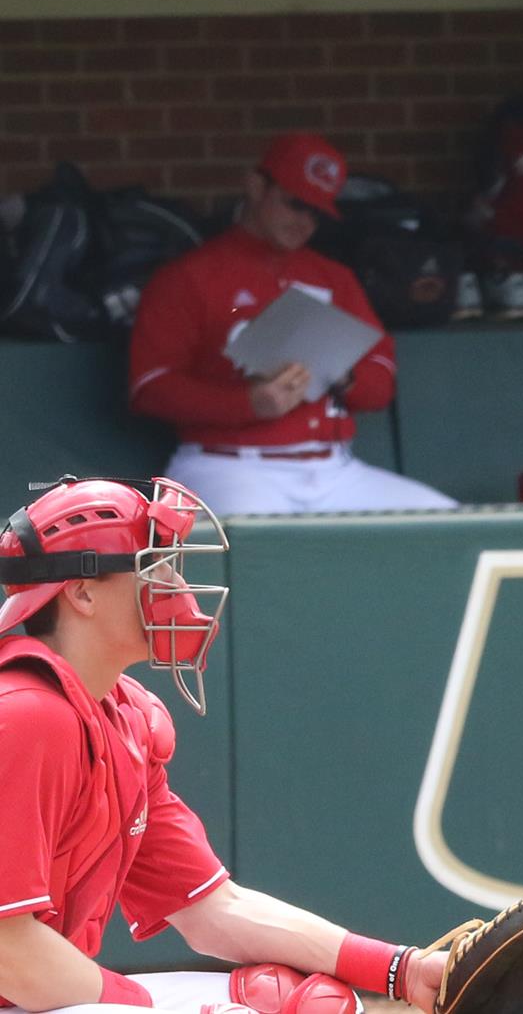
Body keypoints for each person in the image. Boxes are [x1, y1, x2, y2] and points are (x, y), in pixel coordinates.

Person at [0, 476, 446, 1013]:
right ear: (83, 592)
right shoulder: (24, 713)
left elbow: (214, 909)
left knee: (307, 1003)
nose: (175, 586)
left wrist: (401, 969)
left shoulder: (120, 717)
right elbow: (9, 951)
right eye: (153, 566)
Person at [128, 134, 456, 517]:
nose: (304, 222)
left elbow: (381, 381)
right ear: (256, 186)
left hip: (334, 471)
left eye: (316, 213)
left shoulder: (334, 277)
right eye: (295, 204)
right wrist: (247, 403)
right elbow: (149, 388)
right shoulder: (188, 277)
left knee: (447, 523)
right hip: (226, 465)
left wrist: (344, 375)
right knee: (261, 535)